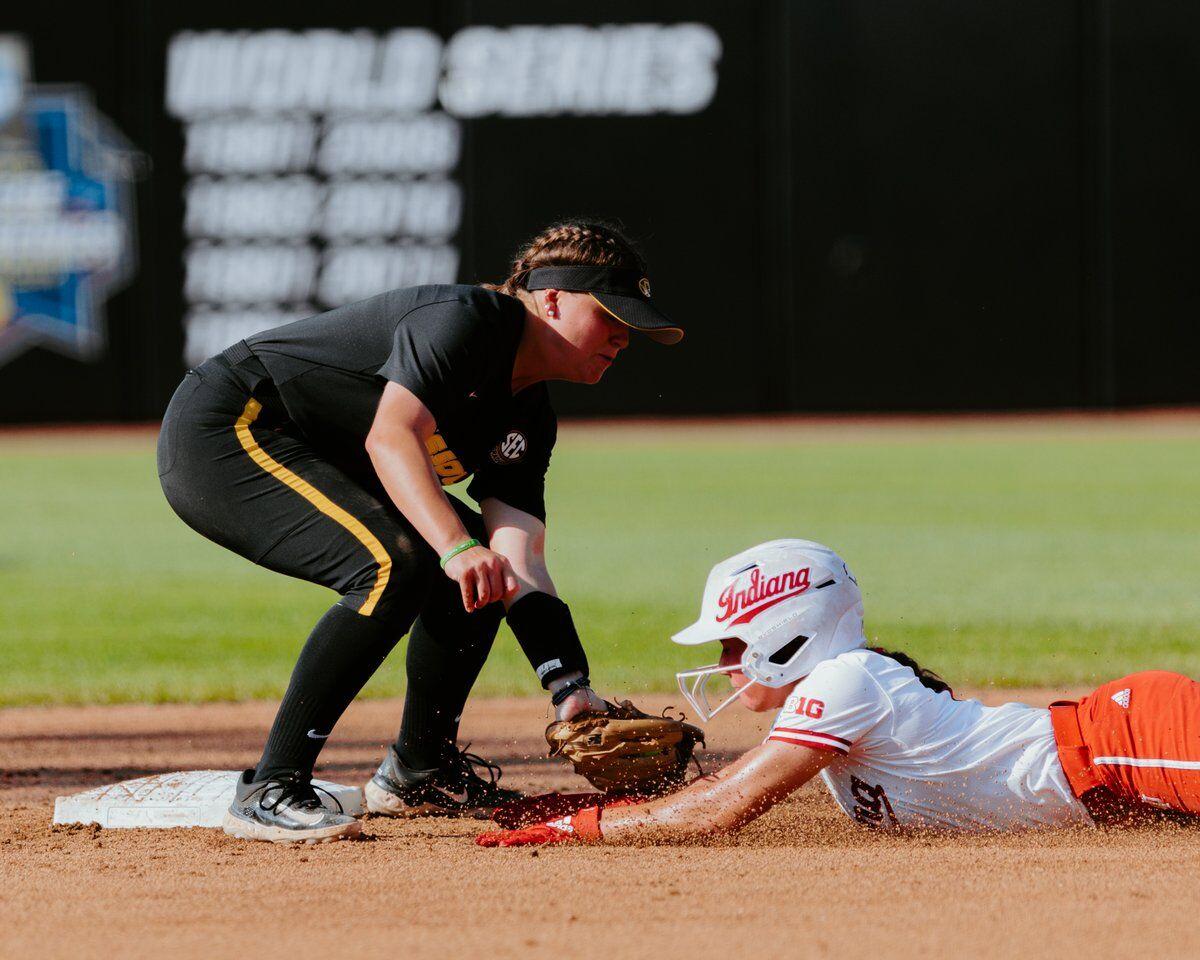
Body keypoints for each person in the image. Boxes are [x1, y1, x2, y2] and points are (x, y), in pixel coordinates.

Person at [156, 220, 684, 844]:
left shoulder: (530, 415)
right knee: (399, 562)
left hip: (315, 453)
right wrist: (455, 546)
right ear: (551, 298)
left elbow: (520, 561)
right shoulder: (469, 319)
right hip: (232, 427)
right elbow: (391, 436)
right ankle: (271, 787)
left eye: (633, 326)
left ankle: (419, 770)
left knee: (479, 573)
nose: (624, 338)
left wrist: (569, 685)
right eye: (610, 317)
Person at [477, 539, 1200, 846]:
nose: (727, 662)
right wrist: (579, 806)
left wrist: (583, 828)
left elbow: (719, 809)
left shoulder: (842, 681)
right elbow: (719, 789)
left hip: (1126, 747)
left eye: (733, 642)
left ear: (788, 631)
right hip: (1120, 777)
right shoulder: (829, 700)